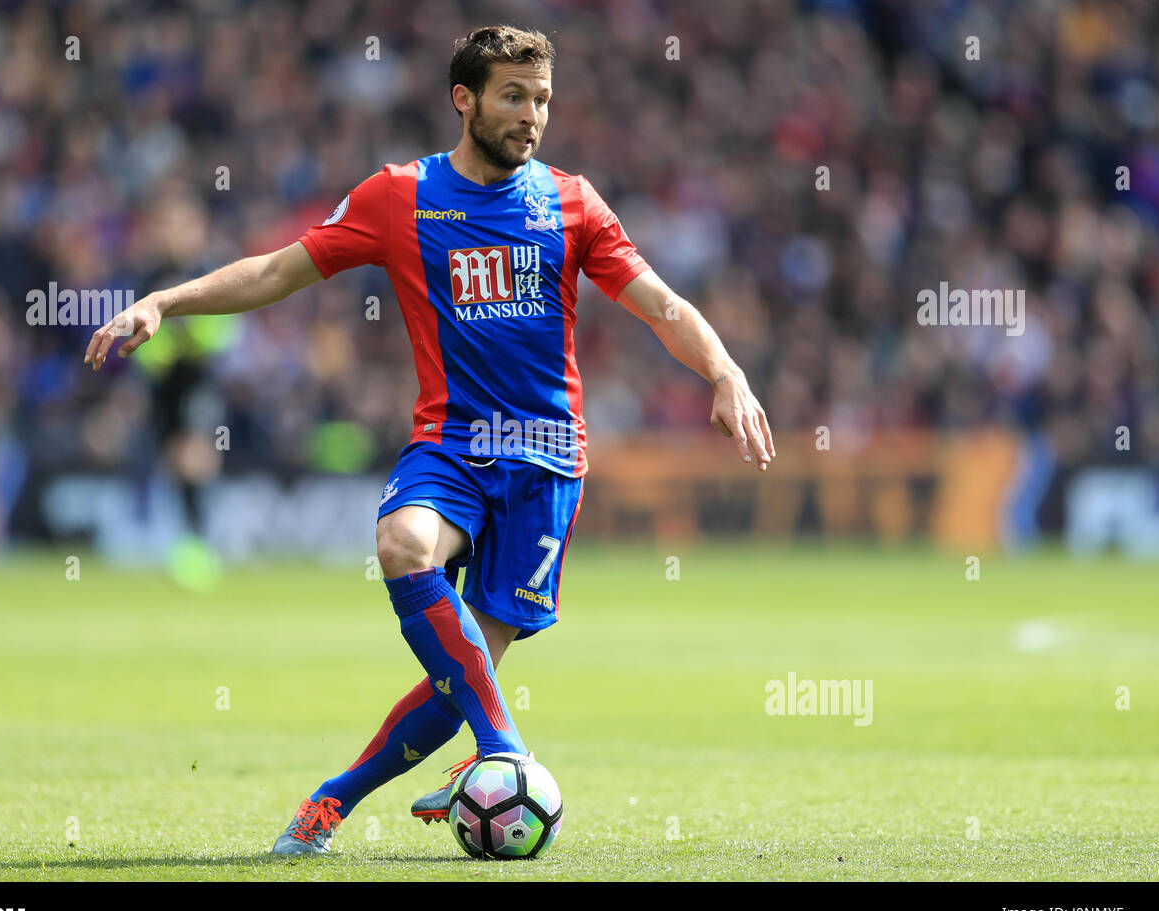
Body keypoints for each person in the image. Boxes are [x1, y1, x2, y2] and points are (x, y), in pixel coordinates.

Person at [83, 24, 775, 856]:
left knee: (463, 669)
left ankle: (331, 801)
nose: (532, 116)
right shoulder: (400, 196)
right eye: (514, 97)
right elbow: (277, 270)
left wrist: (725, 369)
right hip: (448, 444)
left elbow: (662, 305)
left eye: (542, 100)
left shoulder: (572, 201)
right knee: (401, 545)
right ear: (465, 100)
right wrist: (166, 300)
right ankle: (506, 752)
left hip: (547, 459)